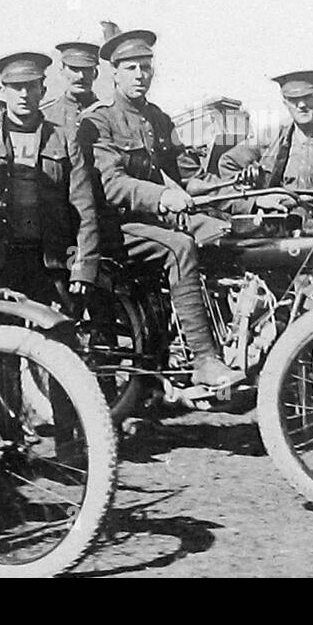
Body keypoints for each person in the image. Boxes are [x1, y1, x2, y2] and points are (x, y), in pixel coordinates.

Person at [76, 29, 245, 389]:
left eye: (147, 67)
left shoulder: (157, 118)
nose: (140, 75)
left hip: (152, 221)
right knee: (180, 247)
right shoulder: (99, 120)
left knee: (227, 235)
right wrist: (162, 197)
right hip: (116, 226)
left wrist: (233, 187)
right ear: (114, 73)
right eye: (132, 68)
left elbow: (188, 174)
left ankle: (231, 336)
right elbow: (113, 185)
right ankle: (203, 360)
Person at [0, 50, 99, 308]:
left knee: (57, 338)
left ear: (42, 90)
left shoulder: (65, 140)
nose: (23, 94)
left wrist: (81, 267)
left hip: (51, 264)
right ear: (2, 89)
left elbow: (83, 208)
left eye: (31, 86)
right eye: (16, 87)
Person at [218, 69, 313, 213]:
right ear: (285, 103)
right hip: (287, 222)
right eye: (294, 100)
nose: (301, 105)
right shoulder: (270, 139)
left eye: (307, 97)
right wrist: (257, 198)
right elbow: (227, 163)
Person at [42, 41, 101, 138]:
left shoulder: (108, 114)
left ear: (96, 74)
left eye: (87, 69)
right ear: (62, 72)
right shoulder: (46, 115)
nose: (80, 76)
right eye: (74, 69)